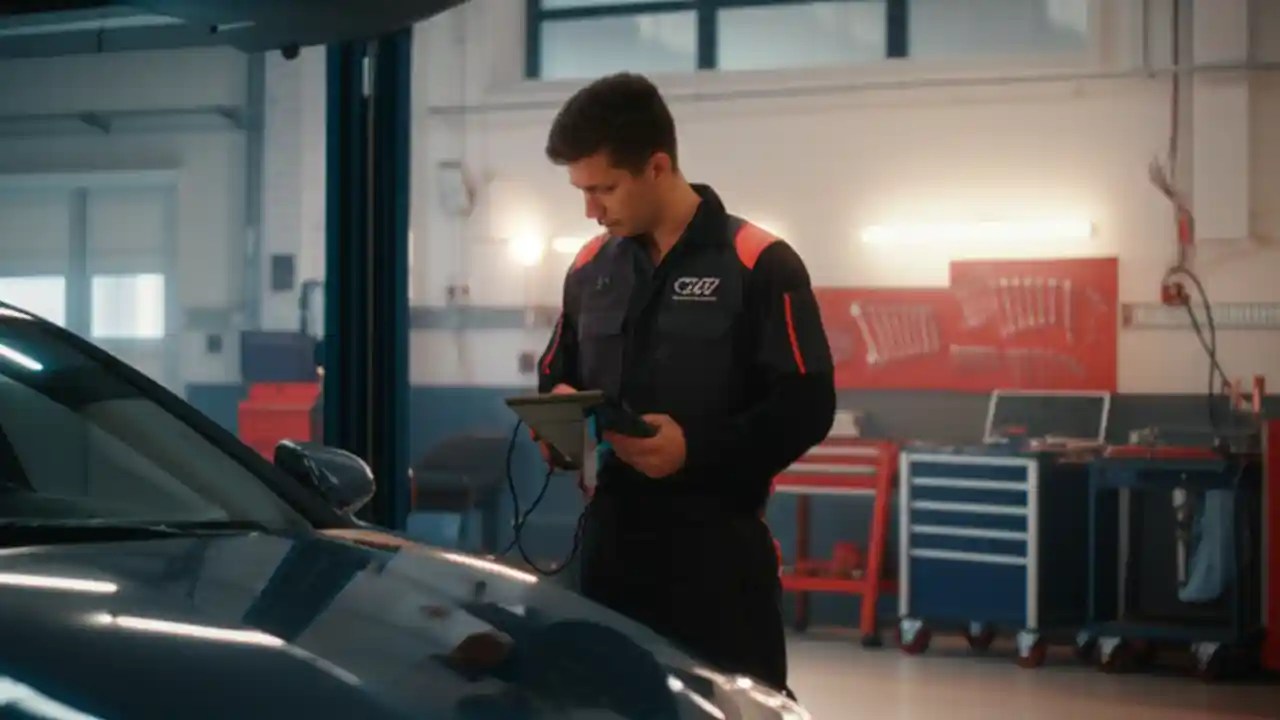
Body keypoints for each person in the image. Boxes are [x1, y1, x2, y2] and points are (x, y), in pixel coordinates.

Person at [535, 72, 835, 695]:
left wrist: (695, 448)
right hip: (610, 554)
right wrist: (558, 422)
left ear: (658, 166)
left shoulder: (758, 261)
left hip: (719, 557)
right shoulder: (591, 269)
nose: (591, 210)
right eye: (582, 191)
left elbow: (807, 406)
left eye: (604, 188)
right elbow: (556, 373)